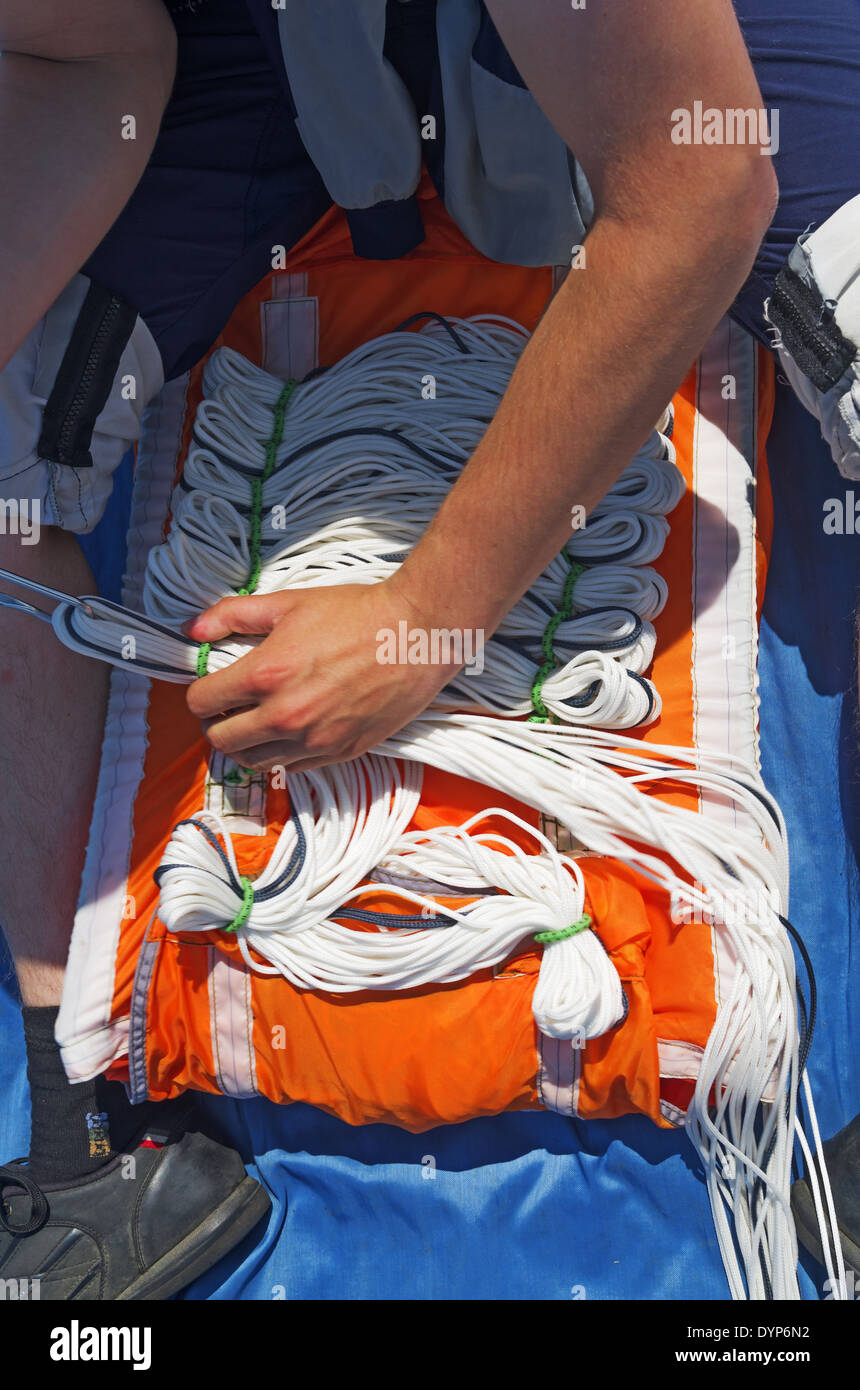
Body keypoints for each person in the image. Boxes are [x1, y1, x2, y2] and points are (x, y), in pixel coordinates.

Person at [0, 0, 855, 1298]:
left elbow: (696, 184)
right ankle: (85, 1144)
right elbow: (89, 50)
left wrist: (421, 619)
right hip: (255, 46)